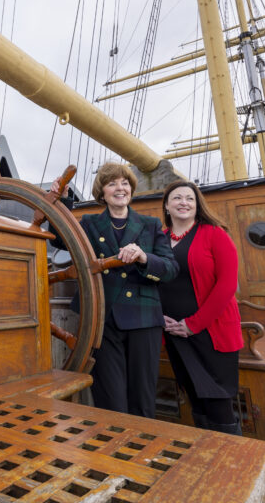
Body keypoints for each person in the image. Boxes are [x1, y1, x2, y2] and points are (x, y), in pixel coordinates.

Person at [56, 162, 178, 418]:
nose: (120, 188)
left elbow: (170, 269)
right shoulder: (89, 223)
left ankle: (142, 441)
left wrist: (144, 257)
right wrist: (63, 200)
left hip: (143, 320)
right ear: (102, 192)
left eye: (125, 183)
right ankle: (114, 441)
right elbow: (60, 238)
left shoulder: (150, 225)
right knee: (109, 397)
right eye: (112, 184)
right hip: (103, 319)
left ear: (131, 189)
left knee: (142, 396)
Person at [159, 180, 243, 435]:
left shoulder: (215, 234)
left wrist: (193, 324)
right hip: (175, 334)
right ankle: (208, 451)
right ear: (166, 205)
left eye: (190, 198)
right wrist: (160, 317)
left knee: (217, 402)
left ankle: (231, 454)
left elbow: (227, 285)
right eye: (177, 198)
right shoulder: (159, 239)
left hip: (210, 333)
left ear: (197, 206)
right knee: (194, 397)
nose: (183, 202)